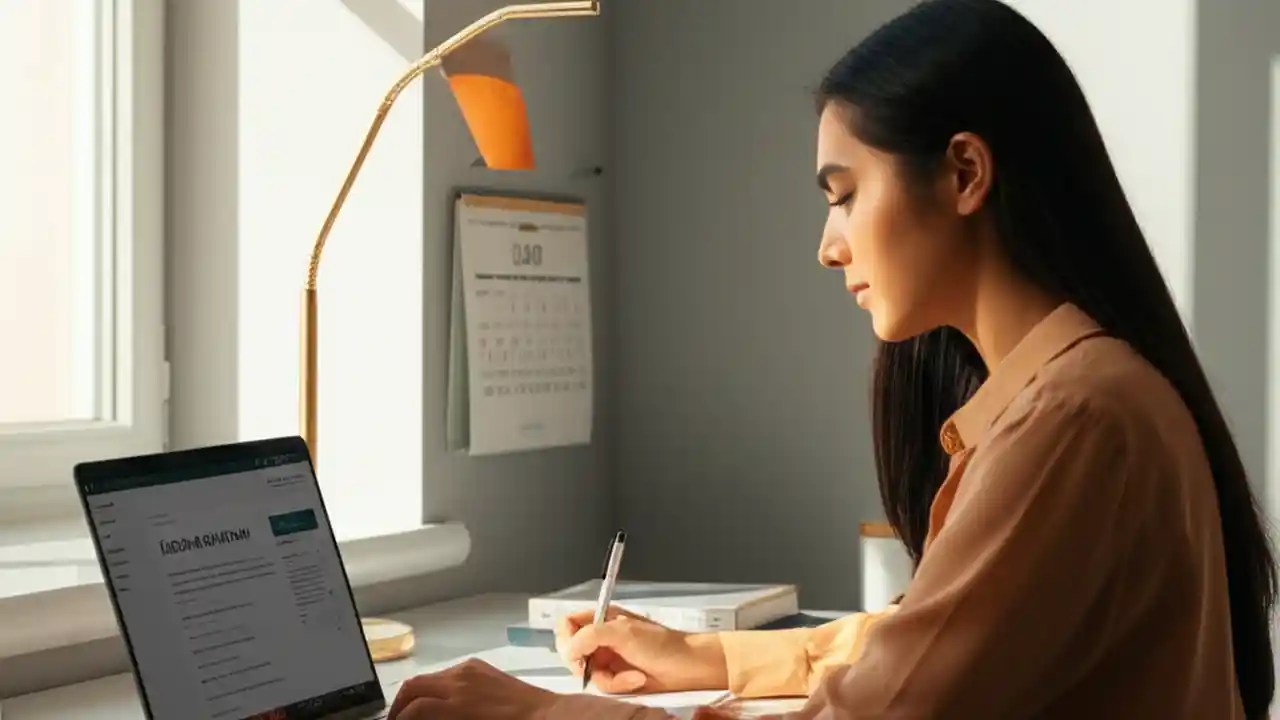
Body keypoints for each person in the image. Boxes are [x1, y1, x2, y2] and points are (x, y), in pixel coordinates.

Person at [386, 0, 1277, 717]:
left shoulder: (1075, 422)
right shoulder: (1072, 396)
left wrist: (548, 714)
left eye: (844, 196)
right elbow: (922, 638)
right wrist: (706, 655)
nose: (828, 246)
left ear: (965, 174)